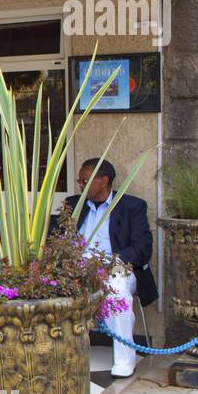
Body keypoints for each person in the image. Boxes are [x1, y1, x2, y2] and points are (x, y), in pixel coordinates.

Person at [63, 158, 158, 378]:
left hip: (117, 267)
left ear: (103, 181)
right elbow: (58, 239)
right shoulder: (73, 204)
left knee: (117, 293)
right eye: (79, 181)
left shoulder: (131, 206)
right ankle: (62, 353)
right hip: (78, 268)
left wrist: (108, 264)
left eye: (85, 181)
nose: (80, 185)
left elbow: (142, 248)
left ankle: (124, 360)